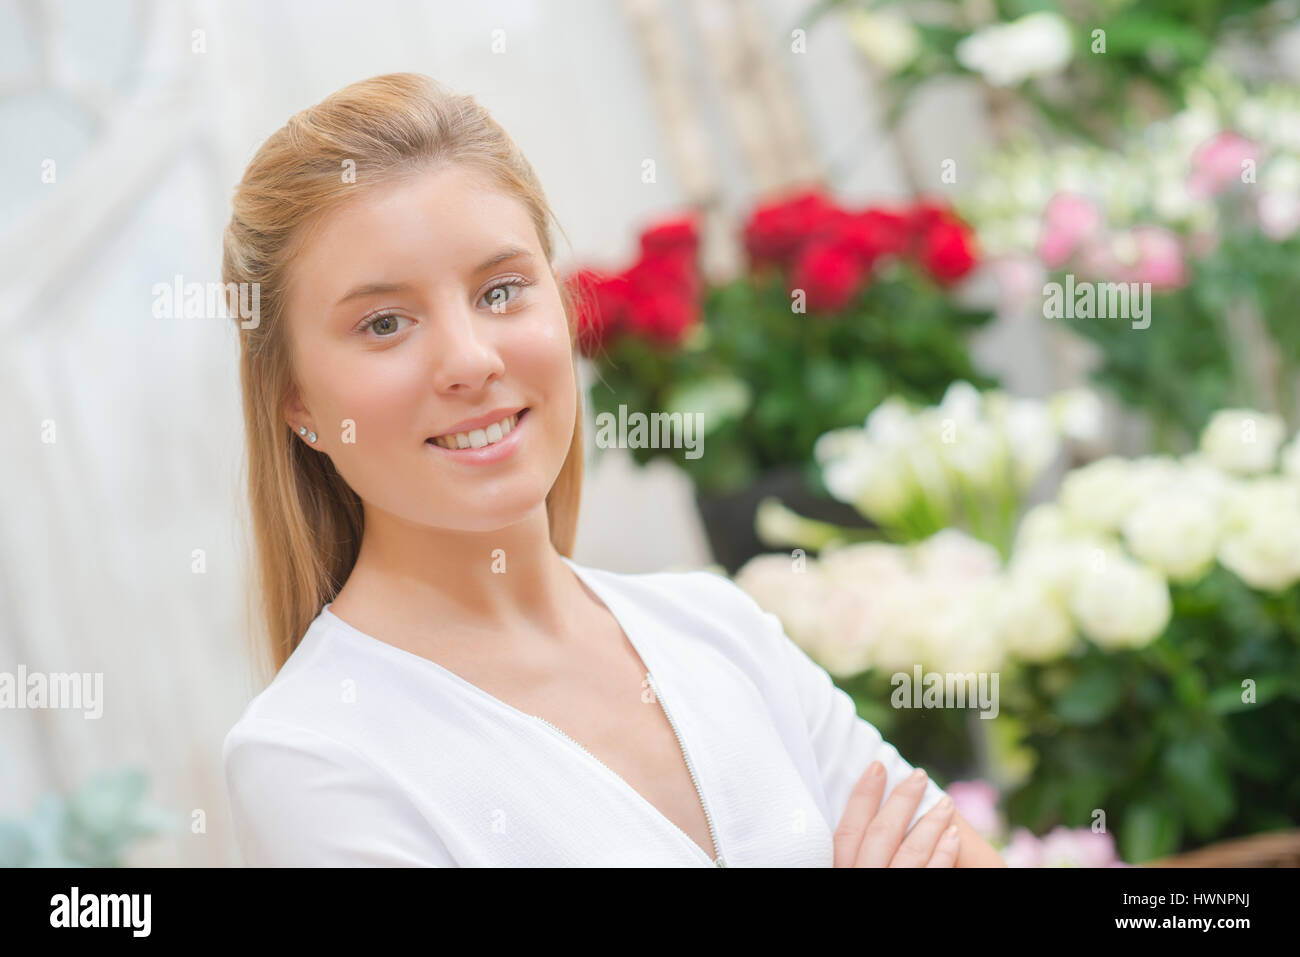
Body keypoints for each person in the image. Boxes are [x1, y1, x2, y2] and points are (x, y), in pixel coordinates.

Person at [220, 72, 1006, 867]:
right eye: (384, 323)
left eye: (500, 290)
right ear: (296, 402)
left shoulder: (715, 626)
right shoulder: (312, 756)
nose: (469, 359)